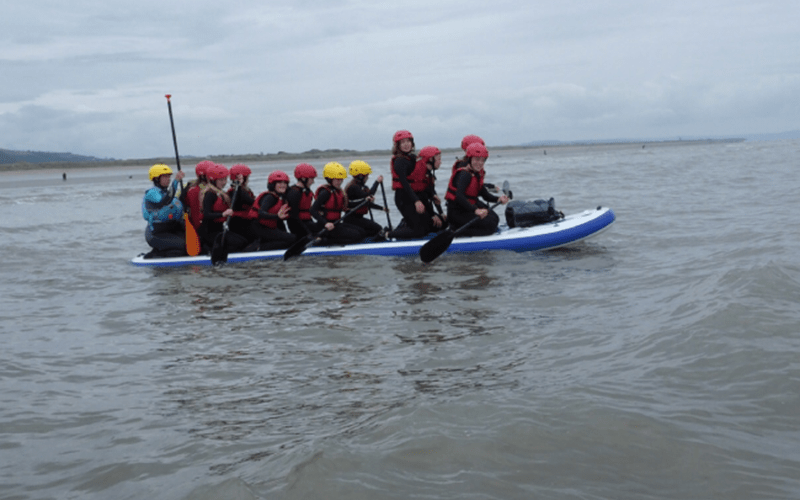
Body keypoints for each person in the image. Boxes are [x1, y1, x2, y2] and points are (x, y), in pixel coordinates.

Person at [445, 142, 509, 237]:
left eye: (482, 160)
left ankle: (464, 230)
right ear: (470, 159)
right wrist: (476, 210)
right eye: (477, 159)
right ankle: (457, 232)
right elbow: (459, 196)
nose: (479, 163)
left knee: (494, 218)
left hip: (466, 209)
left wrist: (498, 199)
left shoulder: (476, 174)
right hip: (457, 213)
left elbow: (484, 194)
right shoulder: (464, 174)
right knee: (490, 226)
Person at [310, 162, 366, 245]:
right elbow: (313, 210)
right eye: (337, 179)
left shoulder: (339, 191)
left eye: (341, 179)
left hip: (336, 224)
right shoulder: (325, 192)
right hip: (325, 227)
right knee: (356, 235)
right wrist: (326, 223)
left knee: (362, 232)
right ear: (329, 179)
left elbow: (346, 206)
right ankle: (324, 241)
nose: (339, 182)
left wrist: (365, 201)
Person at [199, 163, 249, 253]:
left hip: (219, 229)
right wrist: (223, 214)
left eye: (225, 179)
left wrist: (239, 184)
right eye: (221, 180)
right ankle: (209, 249)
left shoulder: (220, 192)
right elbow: (206, 215)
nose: (224, 182)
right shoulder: (209, 194)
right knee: (240, 243)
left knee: (243, 241)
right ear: (213, 180)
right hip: (209, 232)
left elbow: (237, 194)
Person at [388, 130, 428, 239]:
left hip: (412, 197)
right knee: (419, 231)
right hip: (403, 198)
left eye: (408, 141)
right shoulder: (399, 161)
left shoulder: (412, 158)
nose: (406, 144)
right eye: (402, 142)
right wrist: (417, 201)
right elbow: (405, 183)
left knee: (427, 225)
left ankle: (404, 224)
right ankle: (387, 234)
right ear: (398, 145)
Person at [141, 164, 187, 257]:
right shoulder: (152, 193)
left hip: (170, 229)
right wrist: (176, 181)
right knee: (184, 247)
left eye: (169, 177)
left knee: (192, 243)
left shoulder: (167, 193)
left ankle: (161, 250)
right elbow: (164, 201)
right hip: (156, 234)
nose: (168, 179)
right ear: (156, 178)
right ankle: (155, 254)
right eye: (165, 177)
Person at [248, 170, 298, 250]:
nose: (283, 185)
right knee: (292, 239)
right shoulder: (270, 197)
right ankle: (259, 247)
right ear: (273, 185)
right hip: (258, 228)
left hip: (267, 227)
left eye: (285, 183)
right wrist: (277, 216)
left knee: (291, 238)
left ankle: (263, 244)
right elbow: (261, 213)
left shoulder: (279, 198)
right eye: (279, 183)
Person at [345, 160, 387, 239]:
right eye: (366, 176)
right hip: (351, 219)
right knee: (378, 228)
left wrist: (382, 208)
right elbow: (369, 195)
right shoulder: (353, 187)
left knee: (375, 229)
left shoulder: (360, 186)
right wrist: (377, 182)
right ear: (361, 176)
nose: (367, 178)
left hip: (358, 218)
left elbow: (366, 202)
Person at [226, 164, 257, 249]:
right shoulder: (235, 191)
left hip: (245, 221)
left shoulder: (241, 190)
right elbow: (252, 202)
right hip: (239, 223)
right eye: (247, 177)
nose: (248, 179)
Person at [286, 163, 320, 238]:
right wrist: (308, 233)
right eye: (312, 179)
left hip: (307, 222)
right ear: (304, 178)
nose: (313, 182)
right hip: (297, 225)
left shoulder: (305, 191)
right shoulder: (294, 192)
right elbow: (293, 216)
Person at [183, 160, 213, 233]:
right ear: (203, 175)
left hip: (195, 225)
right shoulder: (205, 190)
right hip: (202, 227)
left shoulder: (189, 186)